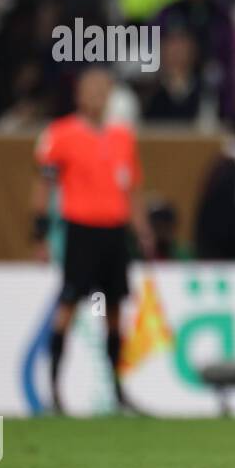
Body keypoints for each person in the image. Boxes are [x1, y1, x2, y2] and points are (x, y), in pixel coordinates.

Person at [32, 66, 155, 414]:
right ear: (79, 94)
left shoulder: (123, 137)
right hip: (81, 231)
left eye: (105, 89)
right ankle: (54, 390)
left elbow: (133, 188)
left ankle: (116, 388)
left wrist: (141, 229)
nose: (99, 96)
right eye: (92, 89)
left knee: (115, 311)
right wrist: (40, 234)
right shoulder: (60, 135)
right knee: (68, 306)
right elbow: (43, 185)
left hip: (115, 233)